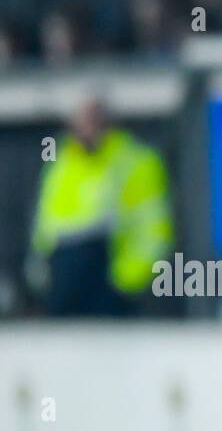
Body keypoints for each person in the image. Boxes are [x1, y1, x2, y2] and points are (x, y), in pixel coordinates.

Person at [28, 96, 174, 316]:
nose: (86, 128)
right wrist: (39, 263)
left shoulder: (134, 159)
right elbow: (47, 219)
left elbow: (153, 225)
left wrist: (131, 277)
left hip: (110, 278)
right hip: (64, 277)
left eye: (93, 120)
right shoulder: (62, 161)